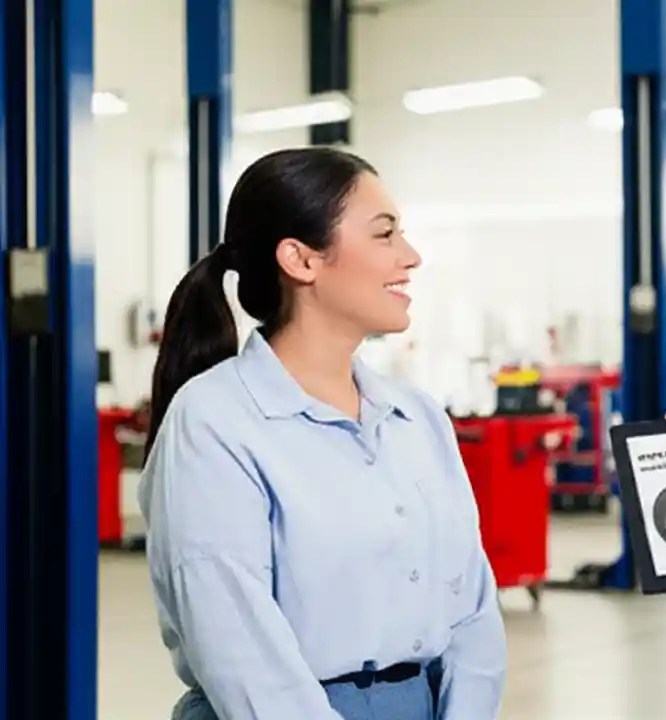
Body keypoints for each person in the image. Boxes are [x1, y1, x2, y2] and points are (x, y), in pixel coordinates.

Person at [138, 147, 507, 720]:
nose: (410, 257)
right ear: (301, 260)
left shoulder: (417, 417)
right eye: (384, 235)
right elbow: (239, 650)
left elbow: (473, 609)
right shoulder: (214, 423)